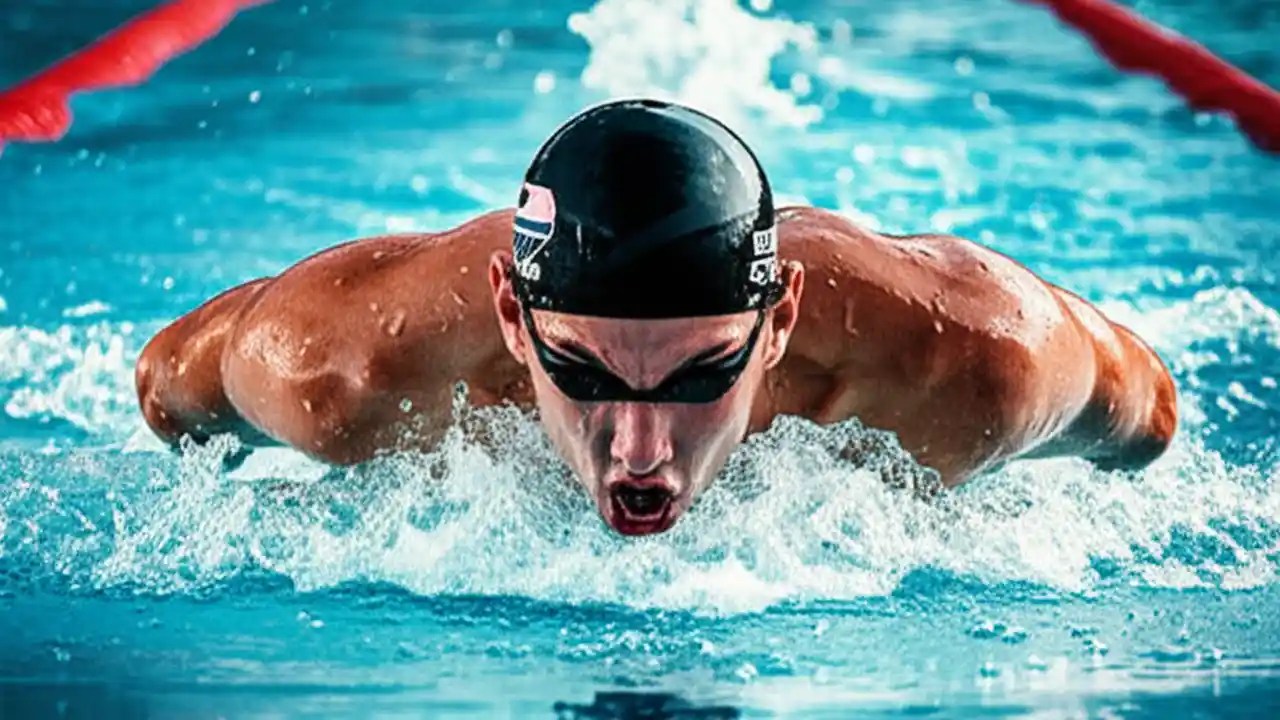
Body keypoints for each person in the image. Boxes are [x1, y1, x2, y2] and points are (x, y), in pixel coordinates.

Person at [135, 99, 1177, 536]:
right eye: (582, 374)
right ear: (510, 314)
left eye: (695, 378)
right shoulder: (337, 369)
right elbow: (165, 389)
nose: (639, 451)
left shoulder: (968, 367)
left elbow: (1147, 419)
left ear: (777, 326)